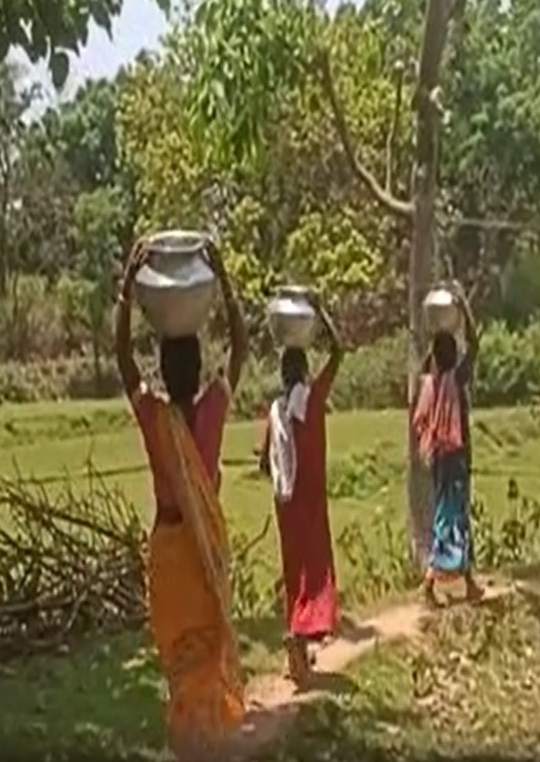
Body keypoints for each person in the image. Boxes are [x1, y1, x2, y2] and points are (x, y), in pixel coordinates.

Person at [115, 238, 249, 761]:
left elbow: (122, 357)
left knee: (179, 653)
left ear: (165, 375)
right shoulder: (214, 406)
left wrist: (128, 284)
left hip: (170, 548)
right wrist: (226, 282)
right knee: (205, 647)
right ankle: (208, 742)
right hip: (202, 553)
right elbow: (240, 349)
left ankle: (188, 743)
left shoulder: (154, 416)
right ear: (197, 372)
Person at [256, 295, 344, 684]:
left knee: (294, 569)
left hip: (284, 500)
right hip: (309, 498)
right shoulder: (312, 398)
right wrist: (322, 313)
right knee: (315, 567)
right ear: (305, 371)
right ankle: (300, 636)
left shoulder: (275, 409)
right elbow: (339, 353)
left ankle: (298, 651)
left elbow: (264, 461)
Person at [410, 288, 484, 605]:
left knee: (455, 517)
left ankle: (468, 583)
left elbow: (420, 419)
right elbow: (476, 345)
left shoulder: (430, 383)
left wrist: (437, 332)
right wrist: (463, 308)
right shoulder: (455, 380)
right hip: (455, 457)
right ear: (453, 357)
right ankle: (429, 583)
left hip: (439, 458)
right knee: (451, 519)